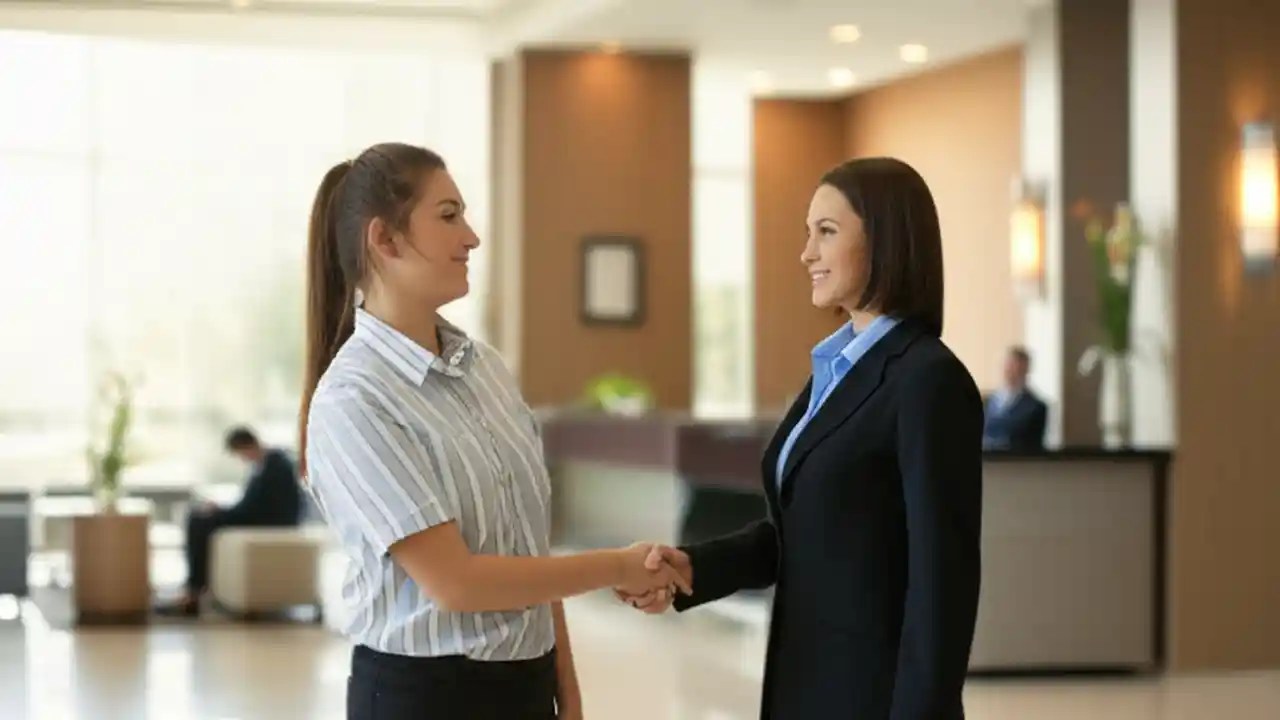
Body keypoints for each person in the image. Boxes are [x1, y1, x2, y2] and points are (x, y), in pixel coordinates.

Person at [299, 142, 688, 720]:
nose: (472, 237)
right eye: (449, 216)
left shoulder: (487, 371)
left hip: (526, 688)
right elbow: (458, 583)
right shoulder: (355, 399)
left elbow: (529, 555)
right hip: (424, 699)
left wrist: (568, 697)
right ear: (385, 239)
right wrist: (617, 566)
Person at [620, 157, 984, 719]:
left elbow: (943, 583)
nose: (806, 253)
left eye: (827, 232)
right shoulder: (834, 372)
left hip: (873, 699)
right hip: (805, 686)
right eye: (808, 232)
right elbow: (806, 533)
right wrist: (695, 567)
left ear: (885, 239)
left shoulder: (928, 380)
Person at [157, 426, 302, 617]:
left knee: (199, 522)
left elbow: (254, 507)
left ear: (245, 446)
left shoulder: (275, 464)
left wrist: (222, 511)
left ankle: (194, 591)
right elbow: (251, 504)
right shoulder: (265, 463)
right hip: (259, 516)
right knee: (199, 518)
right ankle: (197, 589)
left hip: (270, 521)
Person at [982, 345, 1048, 450]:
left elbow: (1034, 447)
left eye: (1015, 366)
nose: (1010, 370)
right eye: (1008, 365)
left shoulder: (1035, 407)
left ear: (1025, 370)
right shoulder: (986, 402)